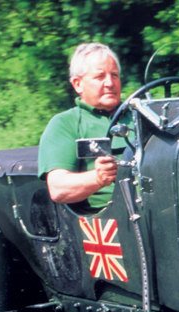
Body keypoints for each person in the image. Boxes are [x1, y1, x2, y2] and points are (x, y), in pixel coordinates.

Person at [38, 43, 124, 210]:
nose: (110, 83)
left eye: (114, 75)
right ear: (78, 84)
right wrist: (98, 178)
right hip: (105, 218)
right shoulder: (65, 124)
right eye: (100, 76)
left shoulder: (141, 116)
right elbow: (58, 189)